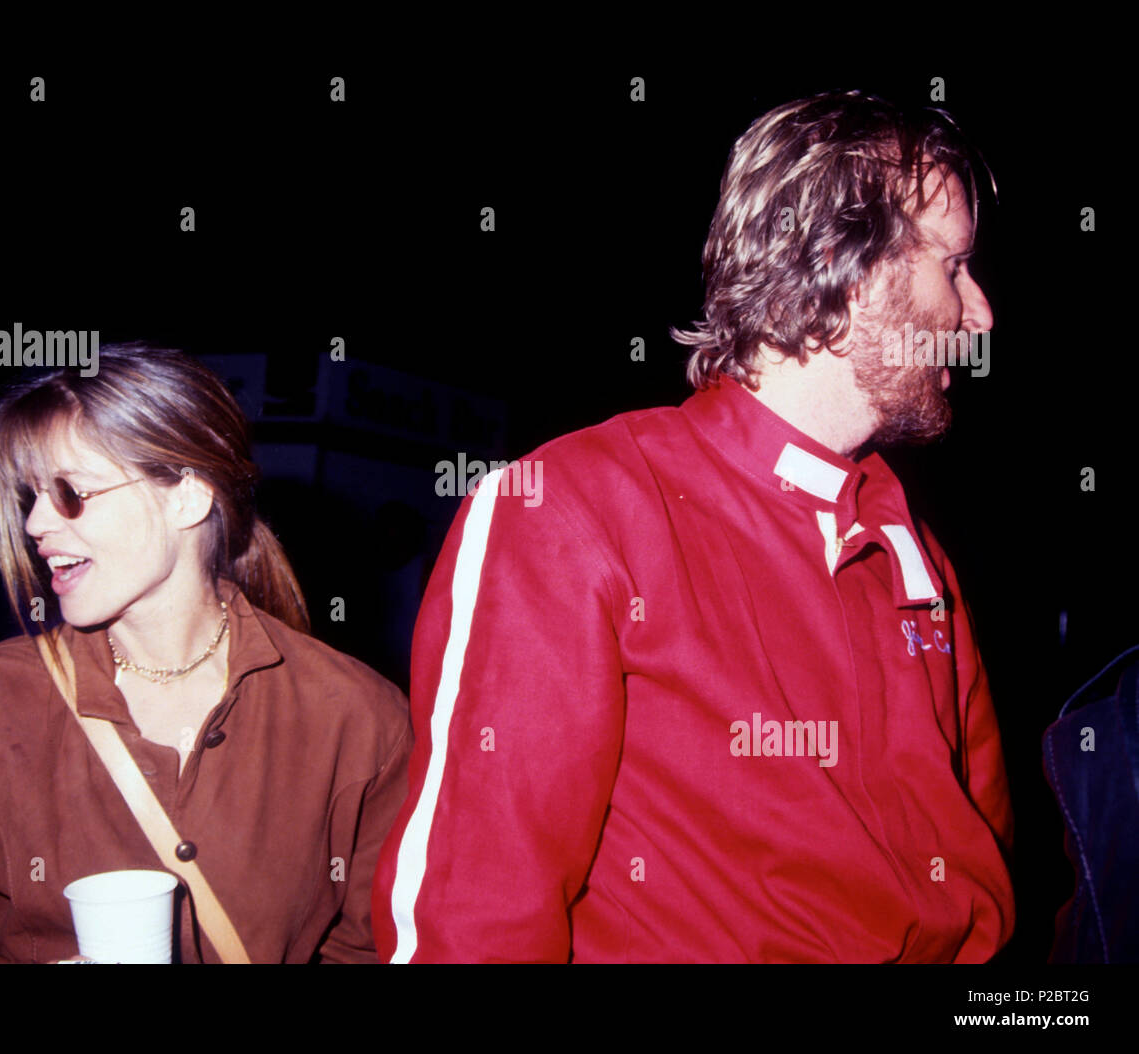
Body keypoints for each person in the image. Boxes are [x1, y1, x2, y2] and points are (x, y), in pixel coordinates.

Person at [372, 91, 1014, 963]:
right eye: (956, 267)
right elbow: (471, 913)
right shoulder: (574, 508)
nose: (979, 315)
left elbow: (980, 865)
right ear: (841, 263)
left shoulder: (910, 546)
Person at [0, 344, 412, 962]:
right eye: (30, 496)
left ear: (187, 499)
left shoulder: (361, 719)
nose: (37, 524)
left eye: (71, 492)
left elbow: (370, 943)